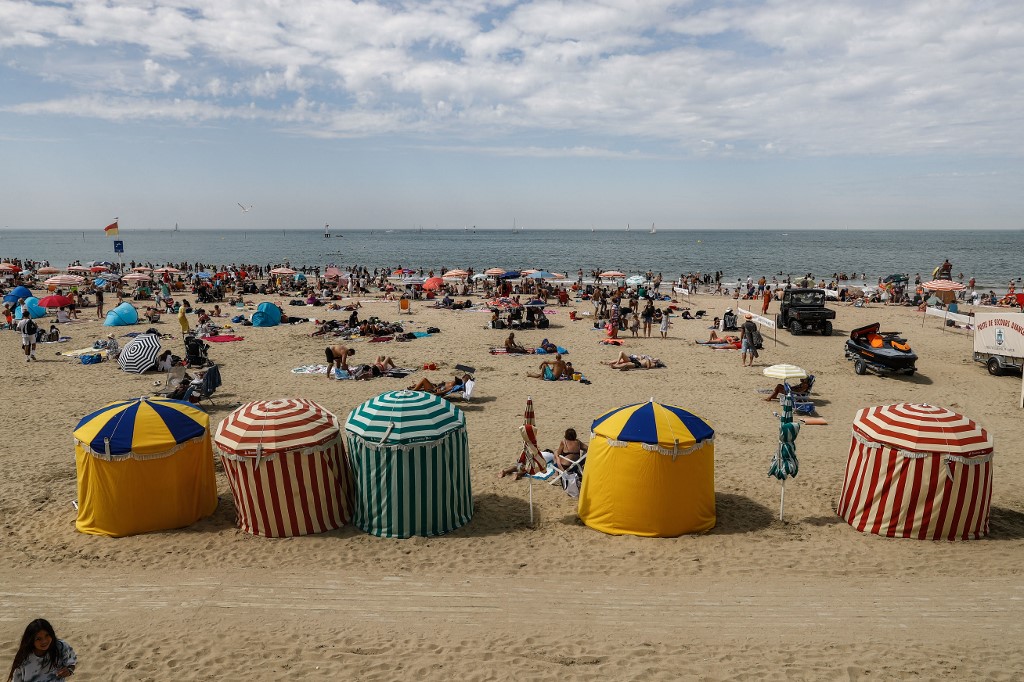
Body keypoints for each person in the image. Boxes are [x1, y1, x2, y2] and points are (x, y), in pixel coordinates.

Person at [7, 618, 77, 681]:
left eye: (47, 635)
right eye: (38, 639)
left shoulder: (61, 647)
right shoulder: (24, 656)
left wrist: (69, 670)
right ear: (31, 640)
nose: (44, 641)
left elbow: (72, 663)